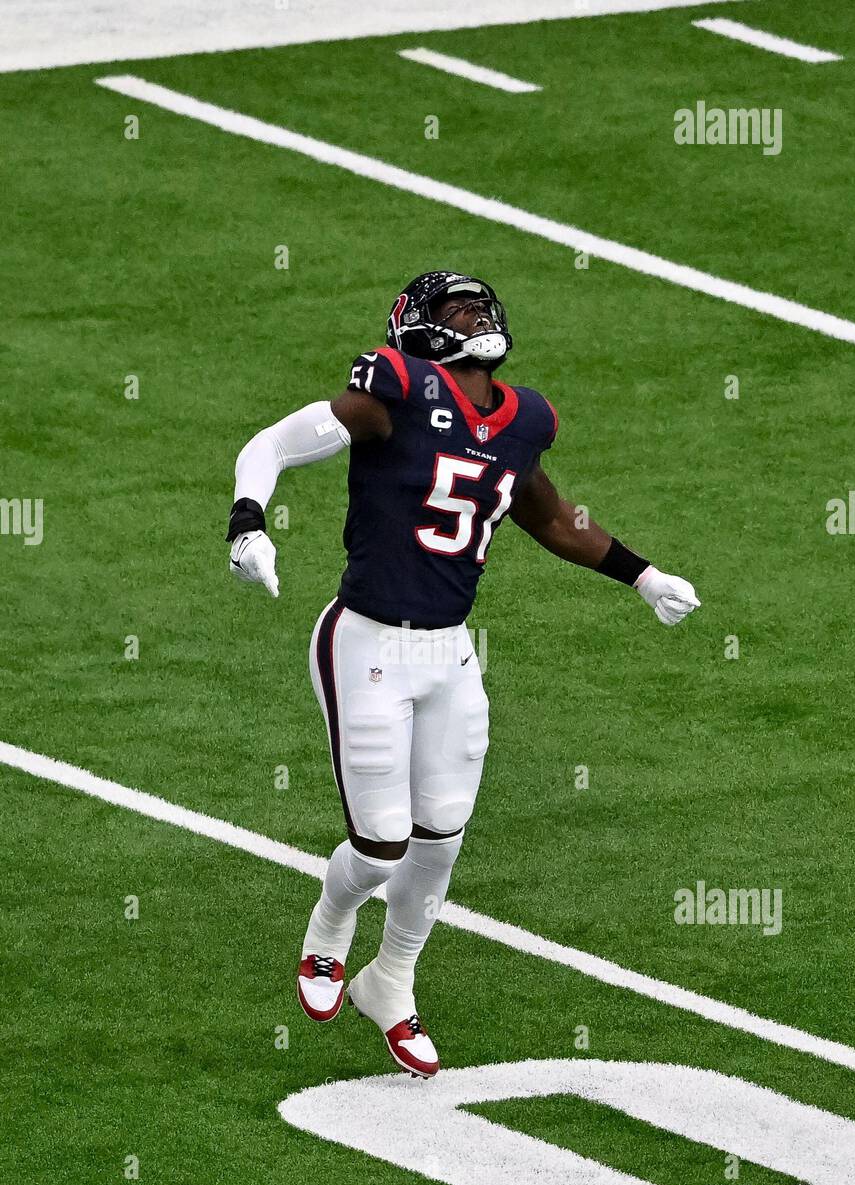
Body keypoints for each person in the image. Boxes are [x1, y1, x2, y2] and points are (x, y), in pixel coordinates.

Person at [225, 270, 700, 1077]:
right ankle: (328, 930)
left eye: (478, 304)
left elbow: (548, 514)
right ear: (418, 328)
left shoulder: (524, 419)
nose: (472, 315)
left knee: (439, 841)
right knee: (380, 849)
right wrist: (247, 522)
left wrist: (642, 575)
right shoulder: (394, 389)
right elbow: (271, 444)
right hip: (367, 641)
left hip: (449, 652)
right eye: (453, 307)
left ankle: (392, 982)